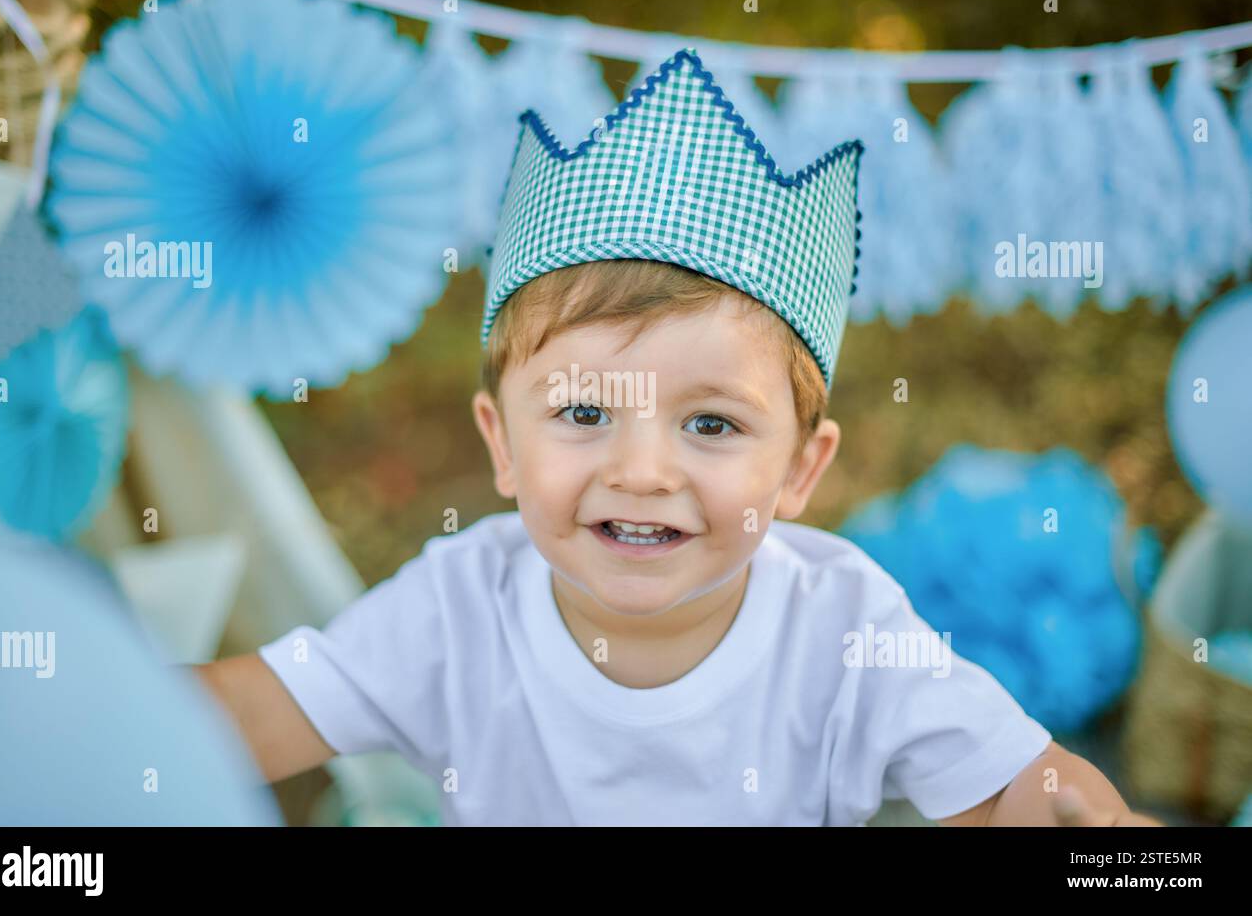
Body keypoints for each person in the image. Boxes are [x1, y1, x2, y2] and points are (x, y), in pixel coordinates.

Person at [195, 48, 1158, 826]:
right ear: (500, 443)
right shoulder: (456, 609)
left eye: (710, 422)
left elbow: (1026, 793)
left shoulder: (848, 629)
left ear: (799, 468)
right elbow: (235, 717)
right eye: (582, 412)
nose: (643, 471)